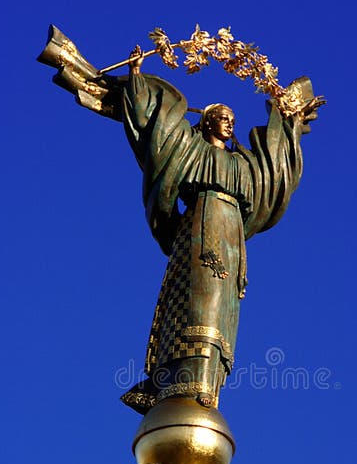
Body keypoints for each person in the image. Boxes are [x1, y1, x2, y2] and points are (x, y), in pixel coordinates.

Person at [120, 45, 323, 414]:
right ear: (208, 121)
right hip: (202, 225)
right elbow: (157, 132)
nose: (230, 122)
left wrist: (288, 118)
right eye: (223, 116)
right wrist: (136, 78)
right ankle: (183, 380)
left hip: (232, 235)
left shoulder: (243, 165)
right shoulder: (191, 150)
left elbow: (276, 169)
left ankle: (209, 384)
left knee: (223, 312)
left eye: (232, 118)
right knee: (200, 305)